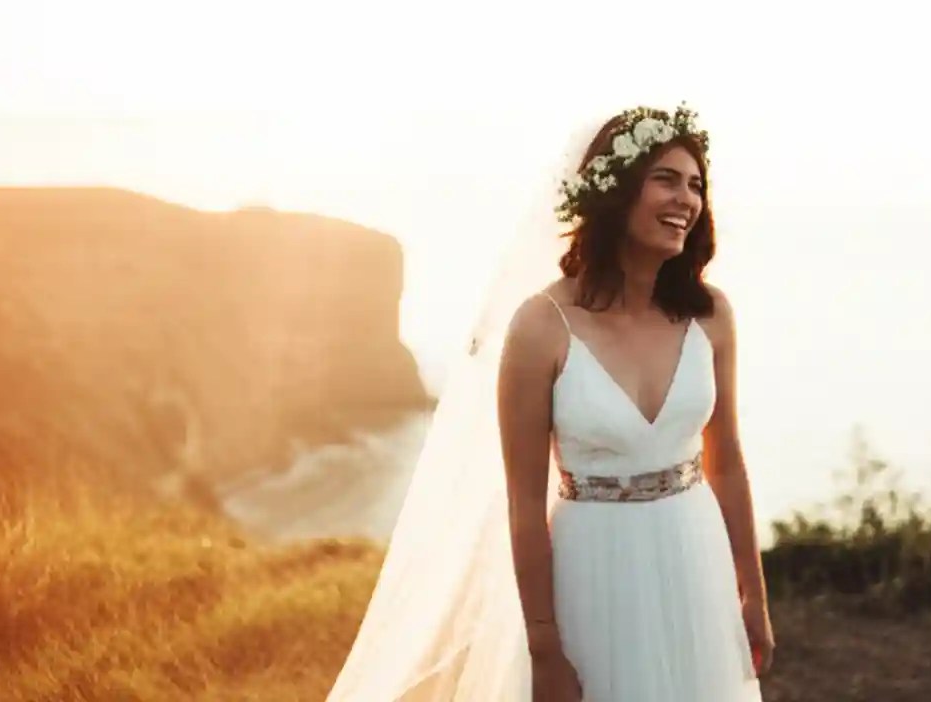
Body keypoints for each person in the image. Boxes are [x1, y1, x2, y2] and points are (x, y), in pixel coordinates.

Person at [325, 104, 772, 702]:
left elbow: (729, 462)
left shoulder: (710, 314)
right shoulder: (541, 326)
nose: (686, 199)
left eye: (696, 185)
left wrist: (753, 596)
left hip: (695, 557)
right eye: (666, 179)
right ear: (616, 190)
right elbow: (523, 502)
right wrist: (543, 645)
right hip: (592, 569)